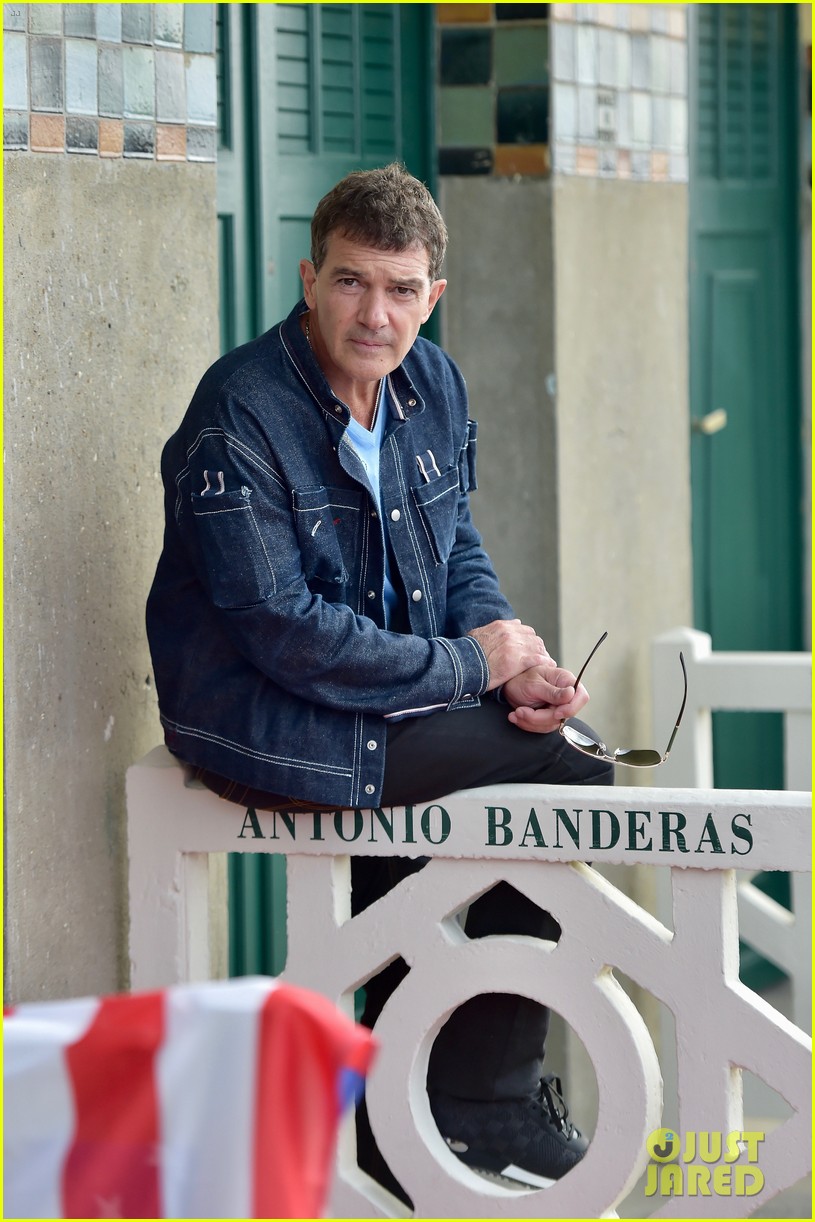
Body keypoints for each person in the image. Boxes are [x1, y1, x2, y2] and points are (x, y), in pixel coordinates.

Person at [146, 163, 613, 1198]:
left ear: (430, 296)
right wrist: (470, 666)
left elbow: (454, 547)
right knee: (565, 772)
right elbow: (281, 631)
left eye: (401, 290)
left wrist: (509, 656)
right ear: (308, 279)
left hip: (391, 700)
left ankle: (397, 1112)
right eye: (352, 282)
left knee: (528, 753)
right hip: (266, 723)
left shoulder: (431, 384)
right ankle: (481, 1099)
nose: (375, 315)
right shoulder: (239, 412)